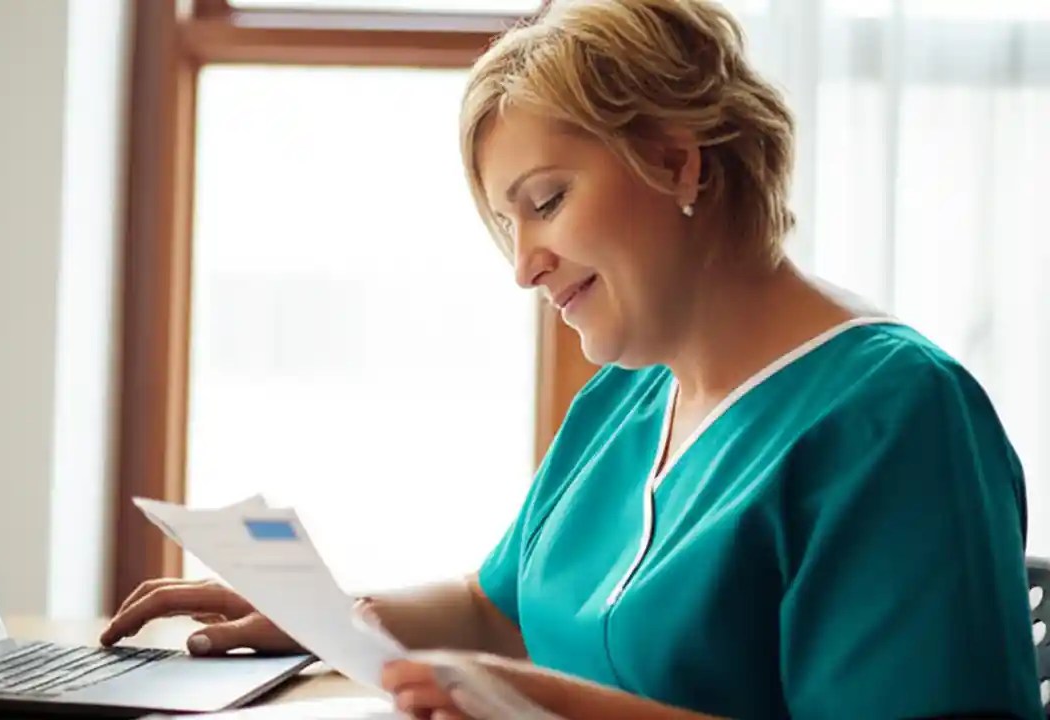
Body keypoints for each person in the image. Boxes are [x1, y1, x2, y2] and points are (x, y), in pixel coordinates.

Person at [101, 0, 1042, 717]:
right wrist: (330, 620)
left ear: (679, 163)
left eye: (545, 202)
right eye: (506, 222)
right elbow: (496, 609)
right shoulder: (626, 401)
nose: (522, 267)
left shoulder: (896, 418)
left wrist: (526, 699)